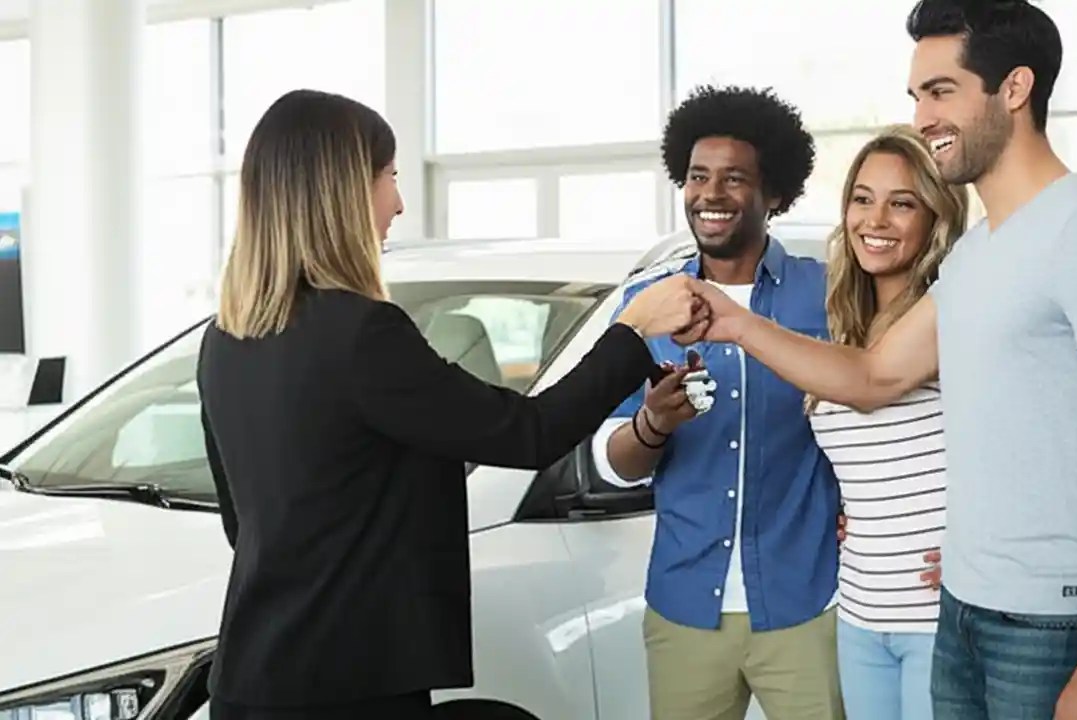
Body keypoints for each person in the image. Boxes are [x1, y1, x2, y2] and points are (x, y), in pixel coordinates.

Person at [682, 2, 1077, 719]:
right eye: (918, 95)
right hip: (960, 613)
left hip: (1050, 619)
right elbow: (873, 376)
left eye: (941, 91)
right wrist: (733, 321)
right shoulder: (979, 256)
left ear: (1014, 89)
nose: (922, 117)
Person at [197, 89, 705, 720]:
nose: (398, 203)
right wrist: (632, 330)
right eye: (390, 177)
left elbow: (241, 524)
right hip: (349, 690)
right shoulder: (362, 334)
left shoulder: (225, 339)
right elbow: (529, 434)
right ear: (341, 192)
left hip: (250, 681)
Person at [589, 84, 845, 720]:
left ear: (775, 193)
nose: (711, 194)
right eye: (698, 176)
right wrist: (653, 422)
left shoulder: (832, 296)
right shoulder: (647, 306)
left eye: (735, 179)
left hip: (808, 605)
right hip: (685, 611)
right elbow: (615, 461)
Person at [808, 124, 967, 720]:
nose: (875, 220)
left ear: (935, 217)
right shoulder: (842, 323)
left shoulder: (954, 309)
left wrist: (984, 541)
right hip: (860, 611)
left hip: (937, 616)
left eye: (901, 203)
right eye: (862, 198)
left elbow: (1025, 442)